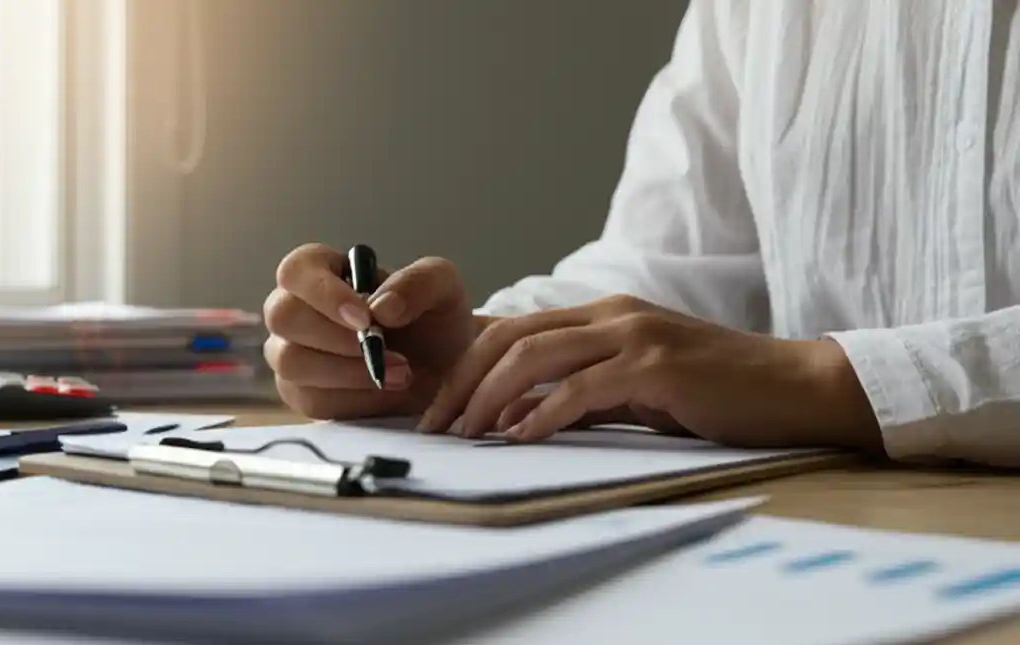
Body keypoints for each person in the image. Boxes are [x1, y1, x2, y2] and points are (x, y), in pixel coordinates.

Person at [262, 0, 1020, 466]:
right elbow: (666, 273)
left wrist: (819, 381)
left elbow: (717, 360)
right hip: (853, 543)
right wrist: (470, 360)